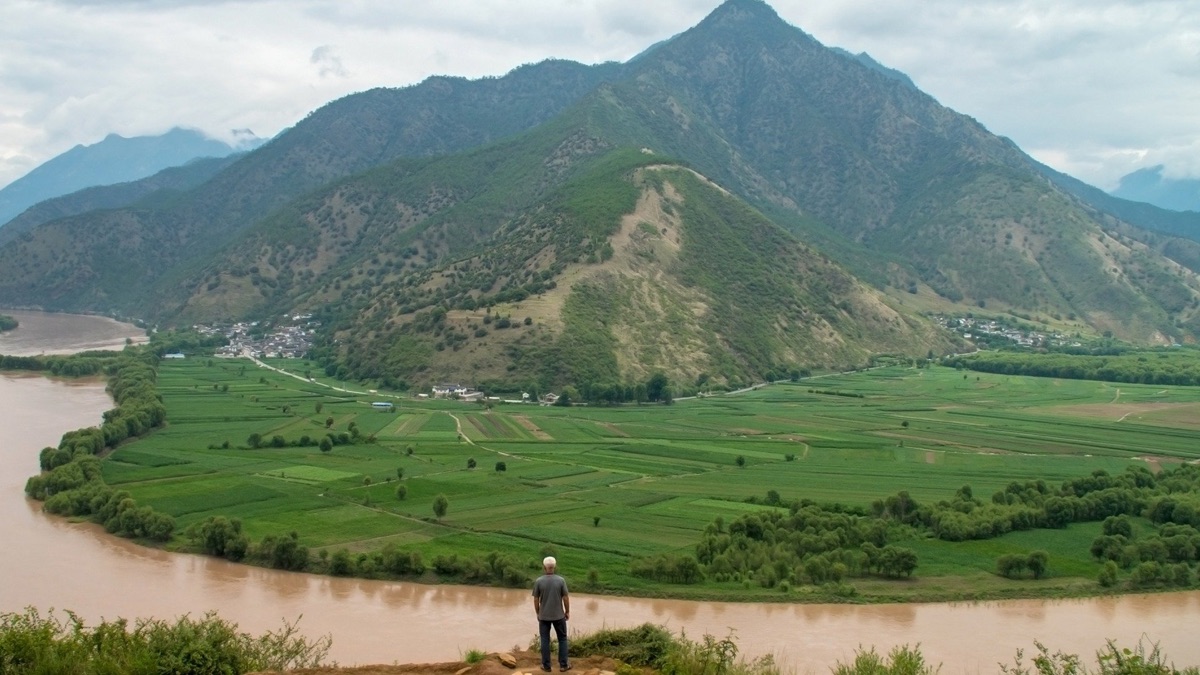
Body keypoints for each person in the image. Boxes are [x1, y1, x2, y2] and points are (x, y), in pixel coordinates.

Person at [532, 555, 571, 672]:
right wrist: (567, 611)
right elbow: (565, 597)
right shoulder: (561, 580)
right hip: (559, 616)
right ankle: (564, 665)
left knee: (544, 640)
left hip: (544, 616)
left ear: (544, 567)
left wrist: (538, 613)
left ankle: (546, 665)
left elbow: (535, 599)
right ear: (554, 567)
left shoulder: (539, 581)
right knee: (562, 639)